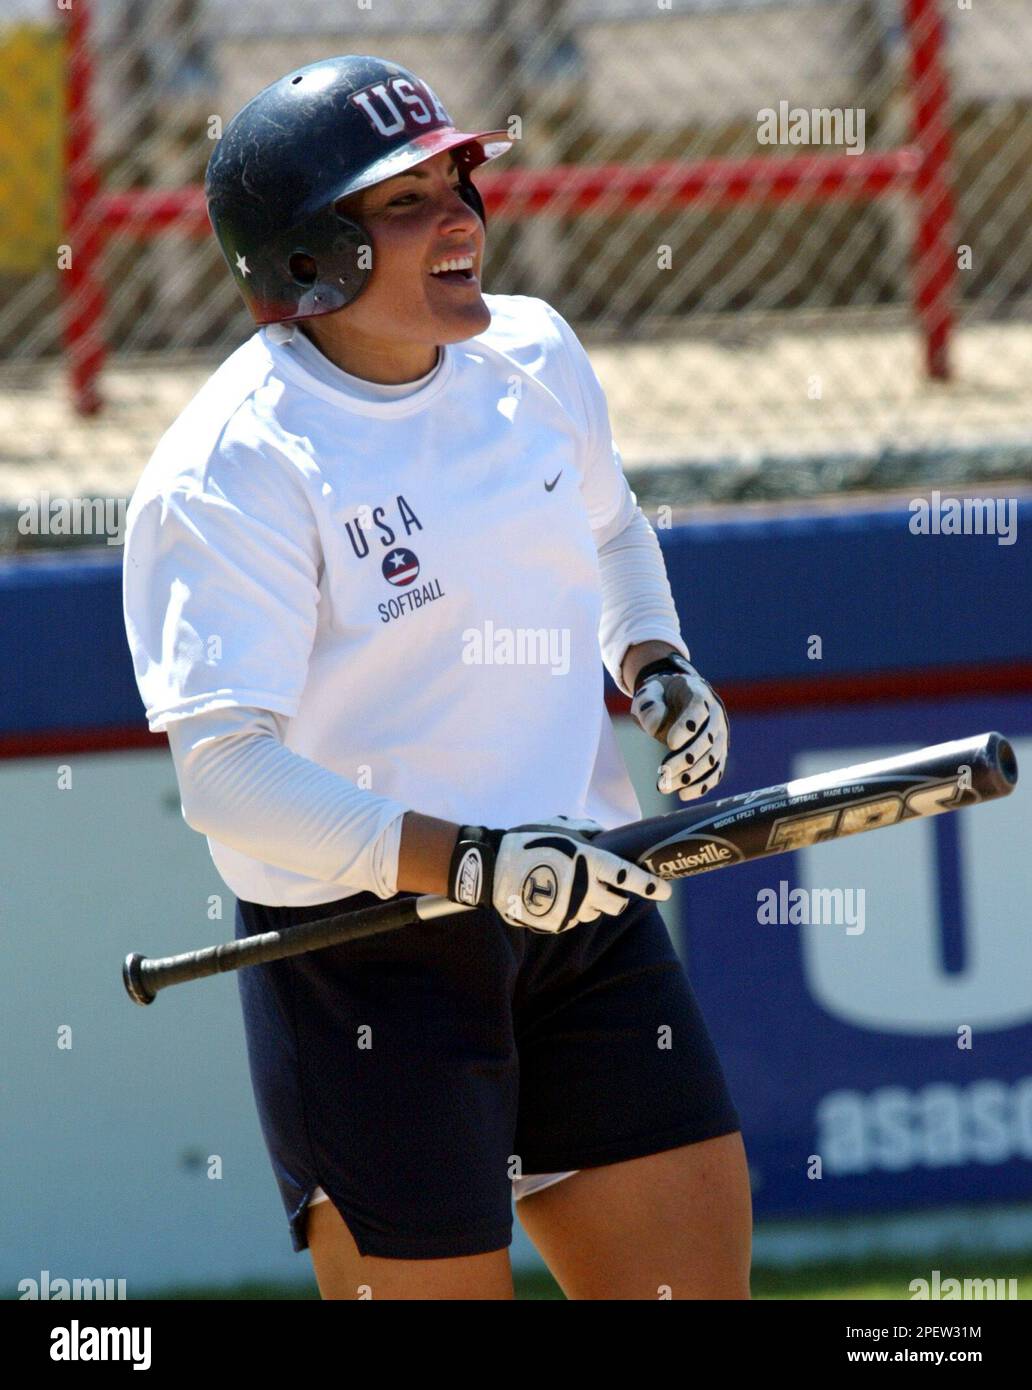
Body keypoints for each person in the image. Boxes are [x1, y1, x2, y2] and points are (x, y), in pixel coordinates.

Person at [121, 55, 751, 1300]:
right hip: (364, 952)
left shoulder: (536, 352)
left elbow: (610, 527)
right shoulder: (231, 469)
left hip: (586, 907)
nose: (463, 216)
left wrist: (655, 660)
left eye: (459, 180)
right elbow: (228, 780)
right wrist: (469, 861)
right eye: (407, 202)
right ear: (308, 256)